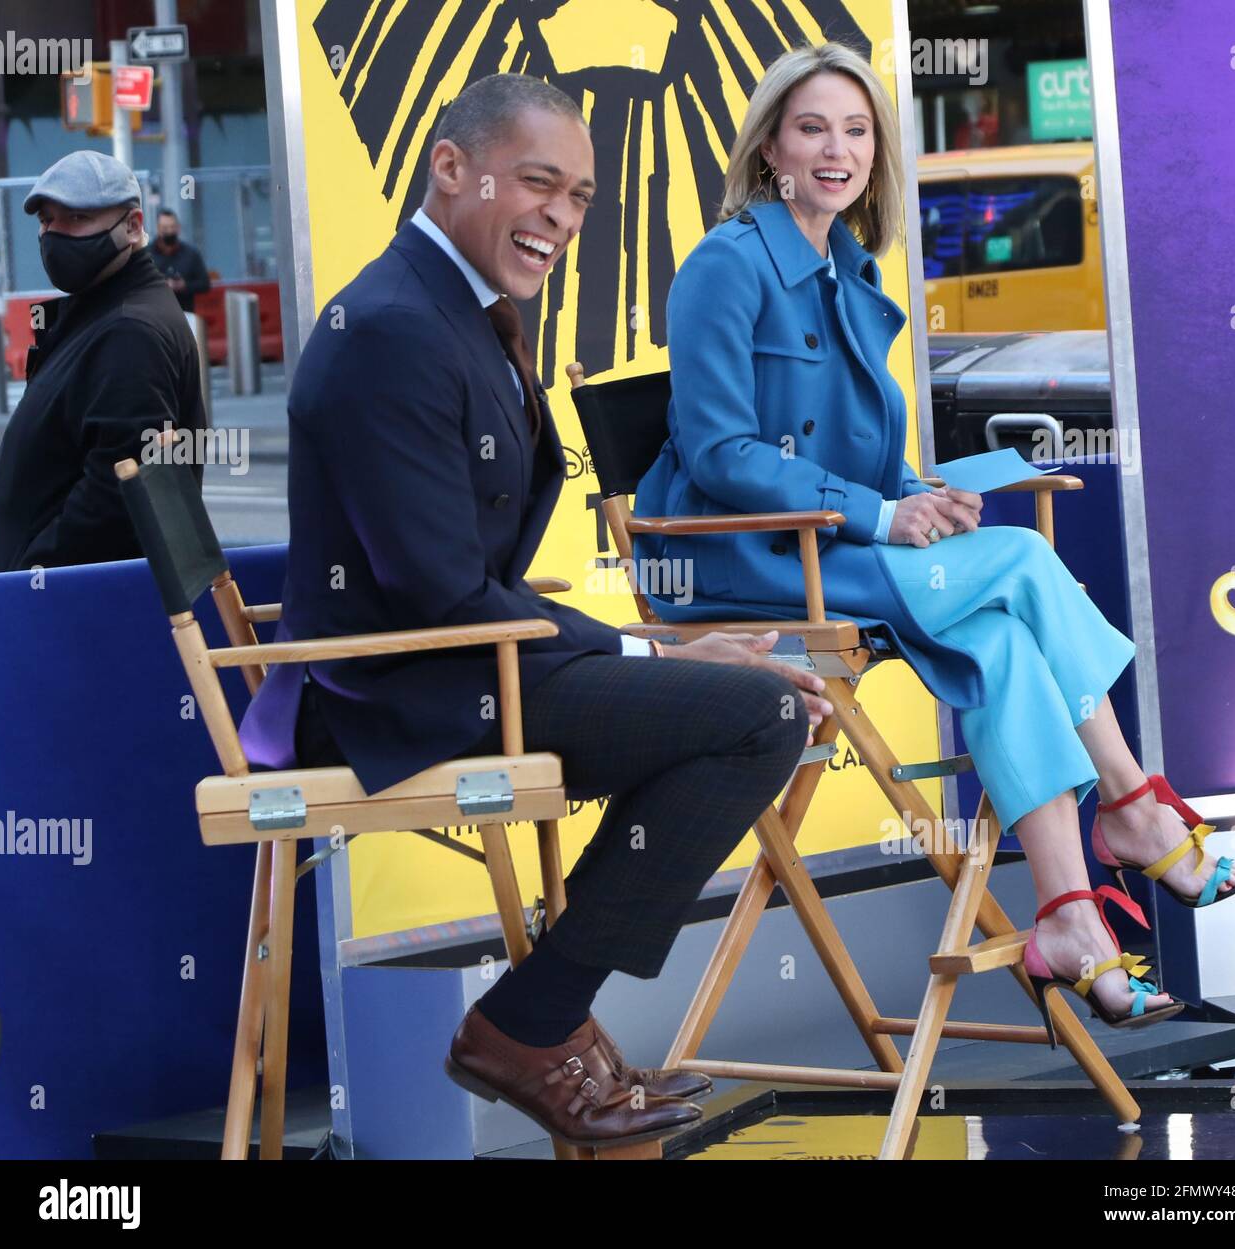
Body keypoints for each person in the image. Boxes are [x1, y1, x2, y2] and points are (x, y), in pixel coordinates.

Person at [237, 73, 832, 1150]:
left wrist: (671, 648)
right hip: (395, 695)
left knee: (742, 704)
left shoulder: (453, 310)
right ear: (451, 169)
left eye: (581, 197)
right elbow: (437, 590)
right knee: (757, 716)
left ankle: (541, 1014)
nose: (561, 216)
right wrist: (663, 647)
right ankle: (529, 1023)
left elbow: (464, 584)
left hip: (464, 661)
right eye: (538, 183)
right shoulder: (390, 327)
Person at [633, 42, 1235, 1039]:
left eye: (856, 130)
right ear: (768, 151)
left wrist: (921, 492)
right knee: (1016, 563)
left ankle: (1071, 924)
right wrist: (886, 516)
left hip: (838, 549)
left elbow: (854, 454)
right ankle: (1134, 804)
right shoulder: (726, 264)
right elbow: (719, 452)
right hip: (748, 565)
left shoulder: (845, 266)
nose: (836, 150)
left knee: (1005, 642)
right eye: (811, 129)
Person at [0, 151, 207, 573]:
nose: (53, 235)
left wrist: (29, 570)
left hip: (66, 609)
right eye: (47, 221)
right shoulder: (102, 312)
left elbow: (120, 491)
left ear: (133, 226)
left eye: (76, 219)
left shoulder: (131, 330)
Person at [148, 209, 211, 313]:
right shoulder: (146, 254)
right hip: (154, 316)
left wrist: (184, 286)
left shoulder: (191, 254)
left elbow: (205, 284)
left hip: (185, 315)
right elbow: (137, 285)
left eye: (172, 227)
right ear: (158, 229)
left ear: (178, 228)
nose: (169, 231)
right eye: (165, 228)